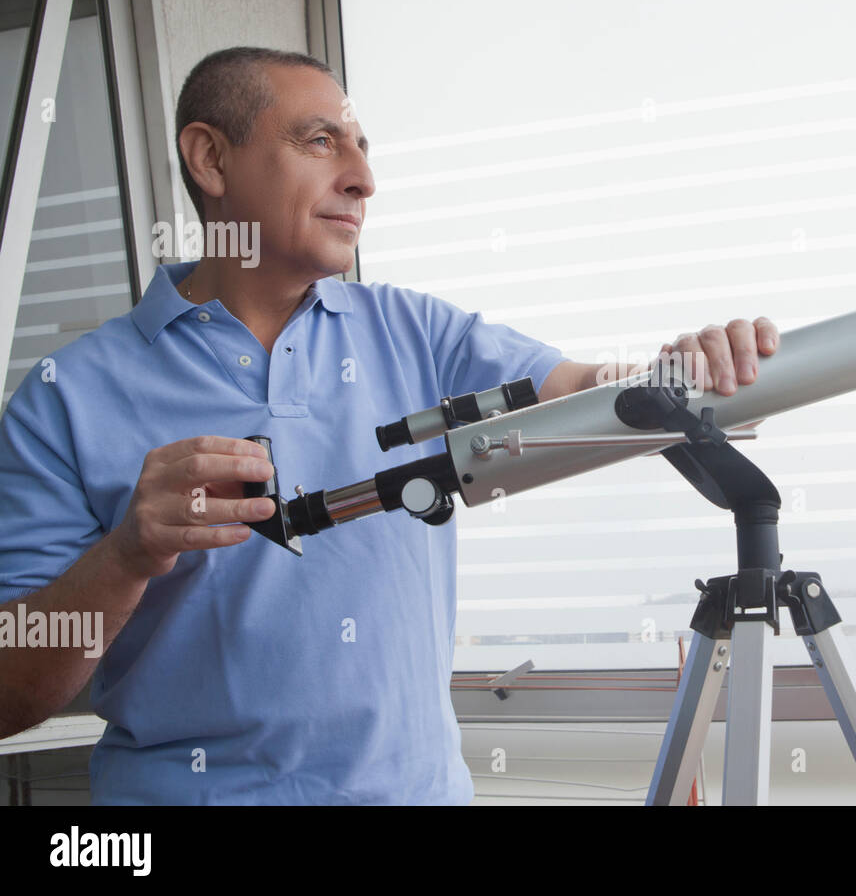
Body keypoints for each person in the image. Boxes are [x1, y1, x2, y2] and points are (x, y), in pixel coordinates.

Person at [0, 47, 780, 803]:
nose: (363, 180)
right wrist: (128, 554)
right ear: (210, 159)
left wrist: (684, 372)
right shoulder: (66, 398)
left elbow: (591, 396)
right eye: (319, 141)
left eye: (364, 148)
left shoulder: (418, 333)